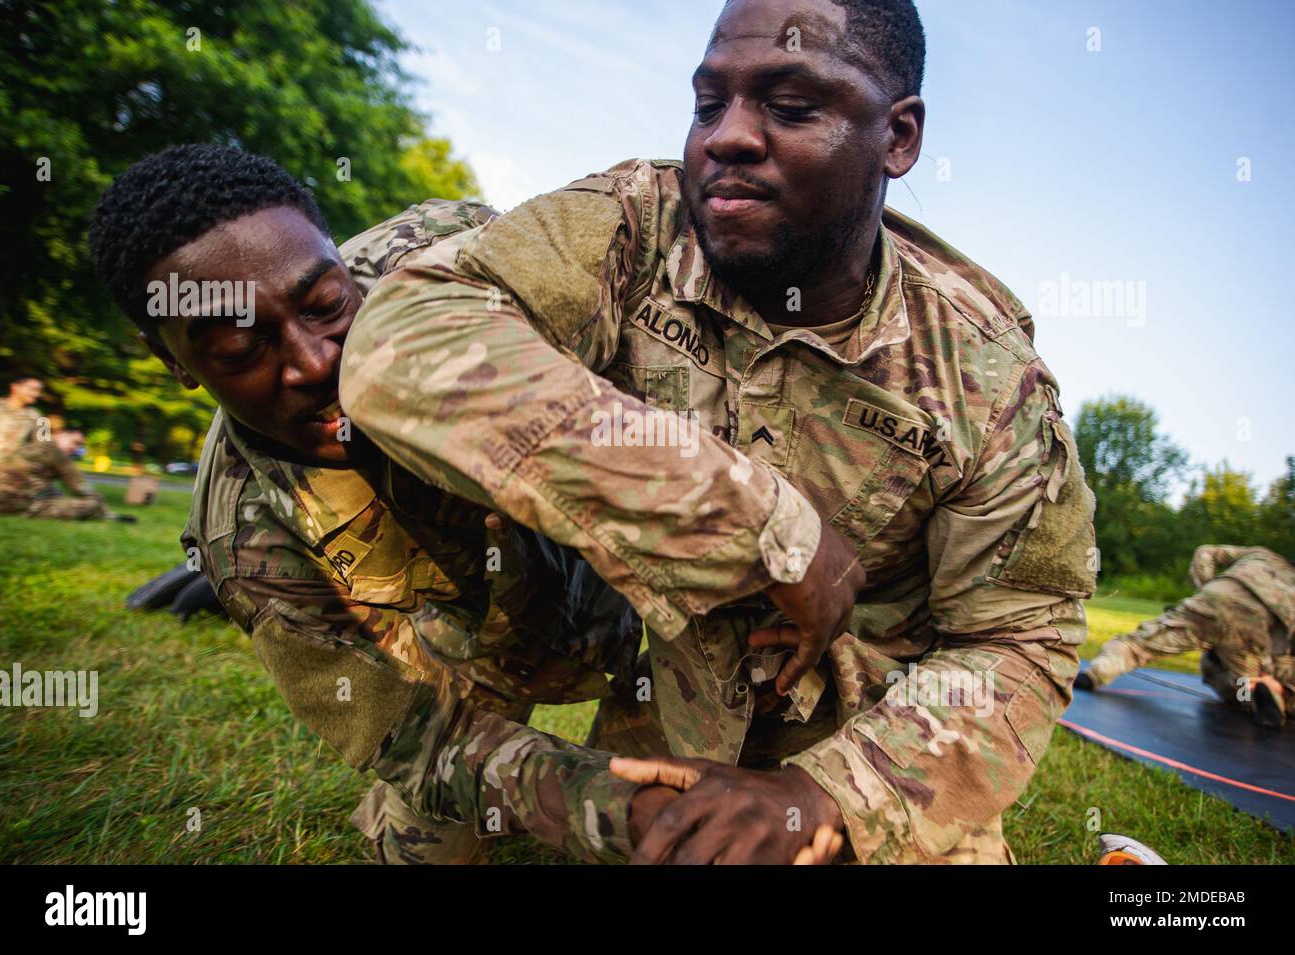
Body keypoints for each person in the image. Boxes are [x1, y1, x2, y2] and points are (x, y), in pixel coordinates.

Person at [340, 0, 1098, 864]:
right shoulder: (630, 224)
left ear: (898, 137)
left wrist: (829, 794)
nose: (727, 137)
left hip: (863, 721)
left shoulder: (983, 373)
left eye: (791, 106)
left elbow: (1017, 636)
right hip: (662, 678)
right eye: (709, 104)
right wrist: (763, 524)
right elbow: (406, 337)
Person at [87, 144, 847, 864]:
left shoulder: (449, 252)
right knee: (427, 846)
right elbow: (415, 740)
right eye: (241, 352)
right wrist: (617, 805)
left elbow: (658, 336)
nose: (316, 363)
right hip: (482, 659)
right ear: (176, 361)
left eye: (325, 304)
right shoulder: (244, 537)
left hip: (647, 583)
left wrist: (761, 525)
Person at [1077, 545, 1295, 728]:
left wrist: (1203, 589)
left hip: (1214, 600)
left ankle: (1096, 673)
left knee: (1139, 645)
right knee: (1243, 686)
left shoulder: (1260, 555)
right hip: (1254, 628)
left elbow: (1205, 552)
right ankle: (1259, 691)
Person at [0, 427, 120, 520]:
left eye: (79, 446)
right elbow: (81, 488)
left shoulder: (29, 447)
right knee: (92, 504)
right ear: (60, 434)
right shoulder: (56, 453)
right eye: (74, 442)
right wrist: (106, 512)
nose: (75, 448)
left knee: (55, 495)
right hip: (15, 506)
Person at [0, 376, 44, 461]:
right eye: (32, 389)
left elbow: (45, 445)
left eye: (39, 391)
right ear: (15, 387)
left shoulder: (39, 417)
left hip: (9, 468)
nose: (36, 394)